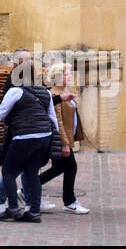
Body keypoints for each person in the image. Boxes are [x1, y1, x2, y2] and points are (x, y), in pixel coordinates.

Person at [0, 59, 57, 224]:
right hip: (44, 137)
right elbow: (53, 119)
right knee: (32, 174)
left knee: (8, 172)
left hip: (24, 137)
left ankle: (14, 209)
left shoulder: (15, 92)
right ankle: (34, 212)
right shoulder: (45, 92)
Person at [38, 62, 90, 213]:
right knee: (71, 167)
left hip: (65, 139)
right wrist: (64, 144)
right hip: (59, 141)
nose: (71, 76)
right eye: (67, 74)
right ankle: (70, 202)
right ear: (59, 78)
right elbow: (58, 122)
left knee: (59, 167)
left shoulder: (65, 94)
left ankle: (27, 190)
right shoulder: (55, 96)